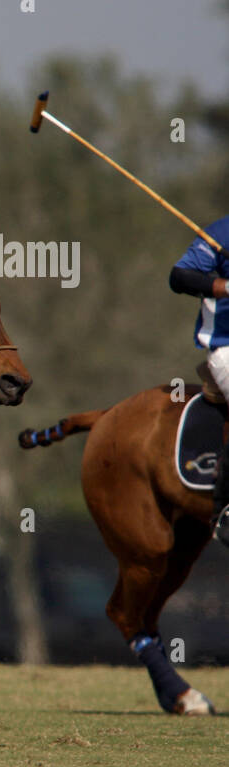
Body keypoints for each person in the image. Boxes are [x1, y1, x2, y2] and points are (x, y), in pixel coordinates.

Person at [167, 215, 229, 544]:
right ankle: (224, 510)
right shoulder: (221, 233)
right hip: (226, 345)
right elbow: (181, 276)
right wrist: (225, 286)